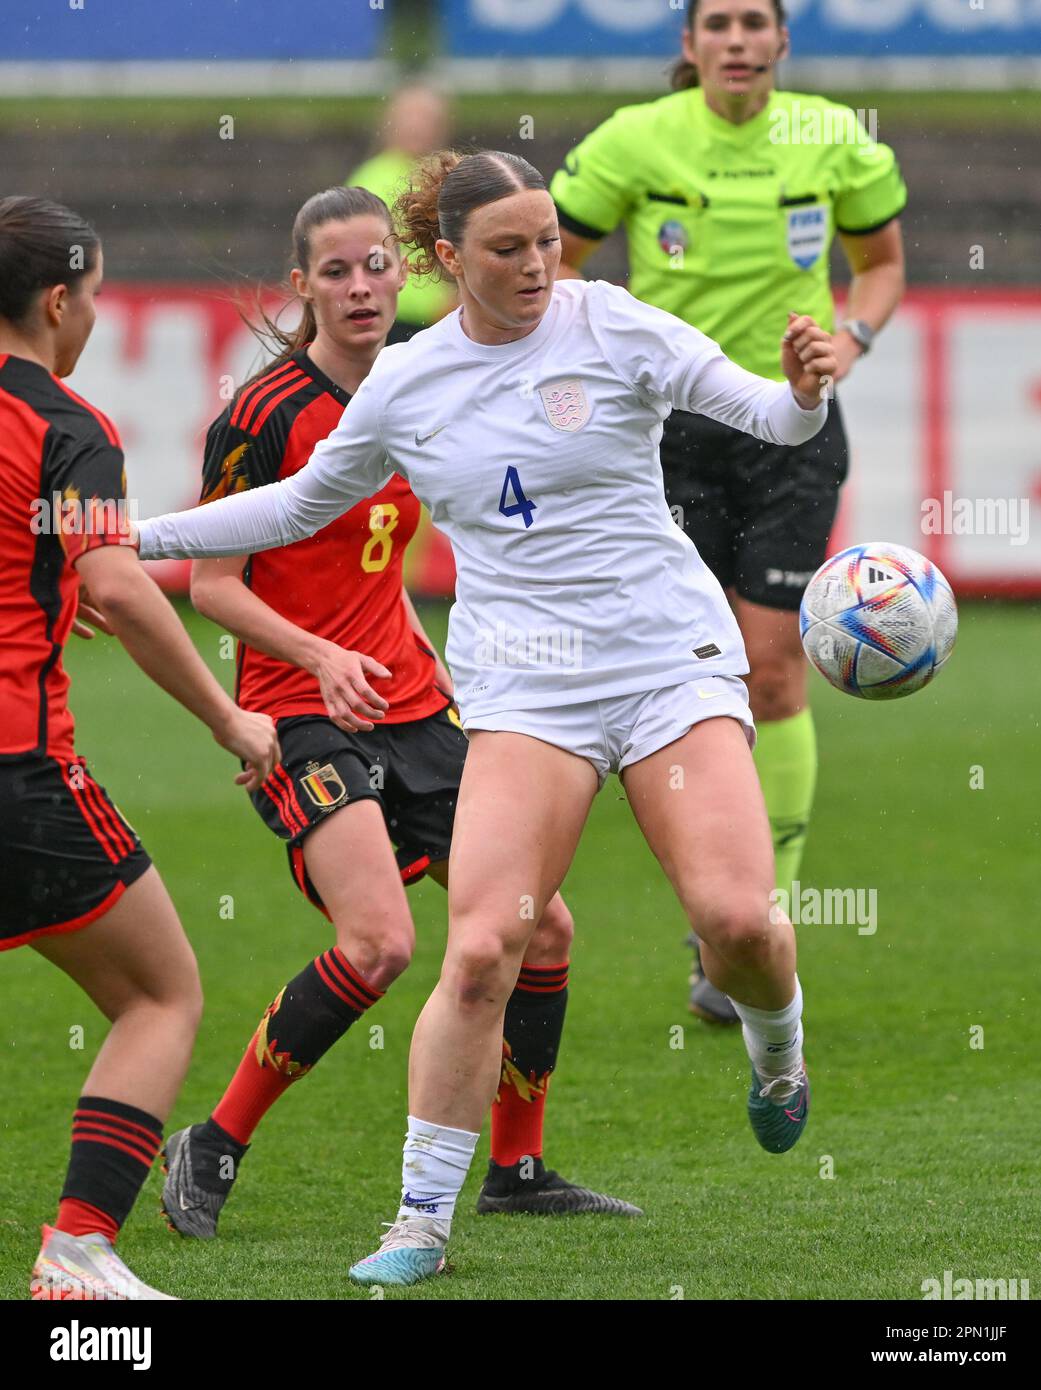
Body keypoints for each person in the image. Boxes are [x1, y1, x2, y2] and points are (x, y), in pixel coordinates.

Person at [130, 149, 838, 1289]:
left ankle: (777, 1053)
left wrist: (807, 390)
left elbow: (772, 418)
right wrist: (141, 535)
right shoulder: (408, 381)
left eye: (549, 240)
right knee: (480, 950)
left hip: (666, 660)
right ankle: (420, 1219)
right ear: (449, 260)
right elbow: (305, 499)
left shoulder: (613, 325)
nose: (538, 265)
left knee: (735, 922)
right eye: (508, 249)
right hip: (525, 689)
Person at [159, 185, 638, 1238]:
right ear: (303, 287)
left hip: (408, 701)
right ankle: (217, 1140)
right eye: (336, 271)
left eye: (377, 263)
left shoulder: (426, 380)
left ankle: (517, 1167)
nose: (363, 287)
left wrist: (428, 661)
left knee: (542, 925)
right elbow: (212, 581)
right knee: (378, 941)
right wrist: (316, 654)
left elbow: (383, 569)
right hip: (299, 705)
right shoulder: (261, 414)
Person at [551, 0, 907, 1022]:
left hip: (792, 426)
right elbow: (556, 264)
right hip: (667, 435)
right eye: (721, 23)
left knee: (774, 666)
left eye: (758, 22)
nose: (740, 40)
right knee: (687, 674)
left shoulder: (837, 136)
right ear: (691, 45)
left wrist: (853, 340)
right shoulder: (633, 139)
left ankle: (757, 916)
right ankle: (717, 903)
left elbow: (880, 267)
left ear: (783, 42)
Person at [0, 196, 278, 1300]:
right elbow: (116, 576)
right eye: (97, 298)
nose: (96, 319)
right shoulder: (68, 423)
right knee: (162, 993)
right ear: (61, 299)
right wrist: (229, 716)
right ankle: (77, 1250)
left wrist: (53, 583)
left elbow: (58, 561)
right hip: (19, 766)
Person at [346, 83, 458, 342]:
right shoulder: (373, 178)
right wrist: (436, 304)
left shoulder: (444, 174)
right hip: (397, 318)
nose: (417, 127)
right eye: (410, 117)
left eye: (427, 119)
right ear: (389, 123)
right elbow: (375, 256)